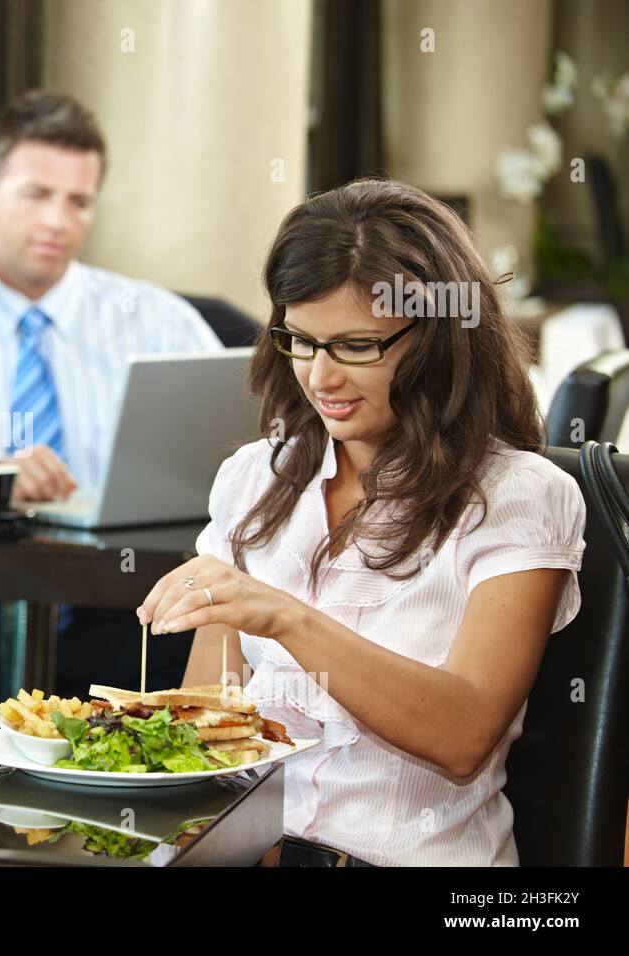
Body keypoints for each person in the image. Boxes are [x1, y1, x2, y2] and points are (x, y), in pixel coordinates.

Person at [138, 177, 586, 866]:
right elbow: (207, 729)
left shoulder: (522, 497)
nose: (320, 378)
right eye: (301, 341)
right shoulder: (254, 480)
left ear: (437, 338)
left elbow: (463, 736)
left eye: (356, 346)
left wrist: (284, 616)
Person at [0, 90, 225, 727]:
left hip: (119, 597)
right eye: (36, 194)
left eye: (77, 201)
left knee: (184, 685)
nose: (58, 220)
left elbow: (234, 448)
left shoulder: (160, 321)